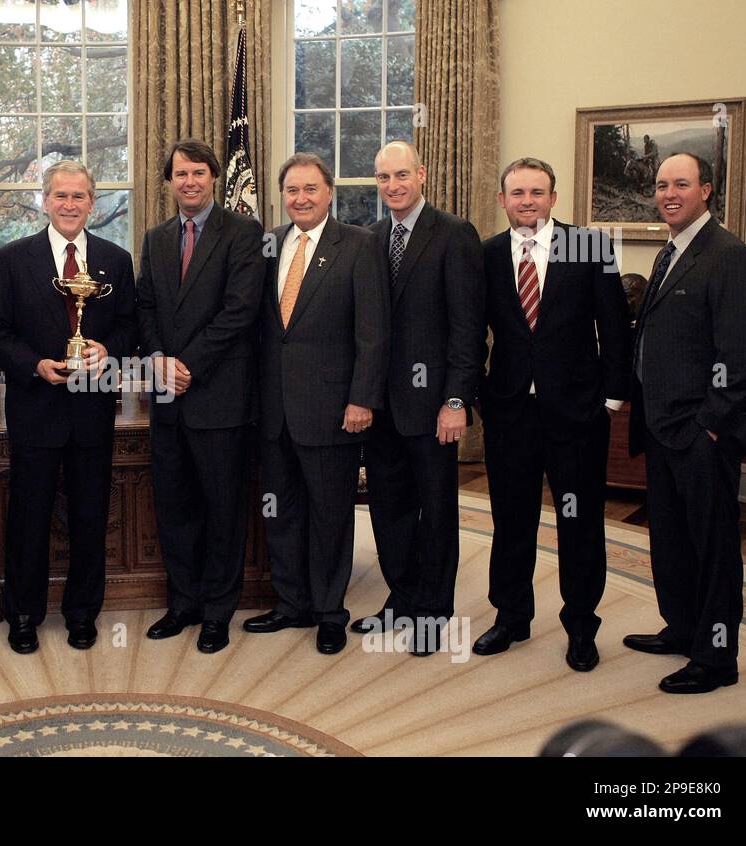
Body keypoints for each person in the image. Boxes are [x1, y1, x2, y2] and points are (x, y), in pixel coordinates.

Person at [474, 157, 631, 672]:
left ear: (553, 198)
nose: (527, 201)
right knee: (511, 519)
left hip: (578, 414)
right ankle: (512, 616)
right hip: (512, 413)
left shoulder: (589, 247)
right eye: (517, 193)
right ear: (502, 200)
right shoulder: (489, 255)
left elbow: (615, 329)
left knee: (579, 522)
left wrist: (610, 399)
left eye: (537, 192)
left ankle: (581, 627)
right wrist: (480, 393)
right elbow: (471, 332)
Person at [625, 152, 746, 693]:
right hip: (662, 428)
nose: (668, 194)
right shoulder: (671, 252)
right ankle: (682, 628)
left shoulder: (730, 258)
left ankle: (715, 658)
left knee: (712, 548)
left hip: (701, 433)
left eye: (681, 184)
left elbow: (740, 355)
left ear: (706, 190)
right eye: (661, 185)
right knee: (671, 539)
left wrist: (709, 426)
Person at [0, 160, 136, 655]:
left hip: (93, 408)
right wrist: (35, 364)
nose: (70, 205)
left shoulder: (116, 259)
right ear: (45, 201)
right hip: (36, 407)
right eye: (60, 196)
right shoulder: (11, 260)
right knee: (29, 514)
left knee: (91, 514)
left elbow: (134, 326)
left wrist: (106, 350)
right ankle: (23, 613)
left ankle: (83, 612)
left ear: (93, 202)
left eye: (80, 196)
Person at [244, 152, 388, 655]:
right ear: (281, 196)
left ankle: (330, 611)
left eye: (310, 189)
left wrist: (361, 399)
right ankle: (292, 603)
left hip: (333, 410)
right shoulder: (269, 245)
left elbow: (373, 333)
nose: (300, 198)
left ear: (329, 192)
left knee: (330, 515)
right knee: (281, 512)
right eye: (291, 190)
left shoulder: (359, 245)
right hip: (274, 408)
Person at [354, 141, 485, 654]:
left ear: (422, 175)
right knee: (389, 511)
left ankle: (433, 612)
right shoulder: (371, 236)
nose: (393, 186)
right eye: (383, 178)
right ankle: (402, 599)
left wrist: (456, 400)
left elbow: (468, 327)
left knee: (436, 511)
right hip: (380, 404)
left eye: (402, 175)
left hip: (433, 406)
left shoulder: (454, 234)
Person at [136, 138, 265, 654]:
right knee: (175, 508)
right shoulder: (157, 237)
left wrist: (186, 364)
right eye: (179, 174)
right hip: (168, 399)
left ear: (214, 177)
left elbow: (240, 310)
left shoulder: (243, 232)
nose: (189, 182)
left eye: (198, 173)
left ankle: (217, 611)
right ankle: (183, 602)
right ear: (169, 183)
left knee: (221, 510)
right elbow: (145, 306)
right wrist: (159, 359)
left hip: (220, 397)